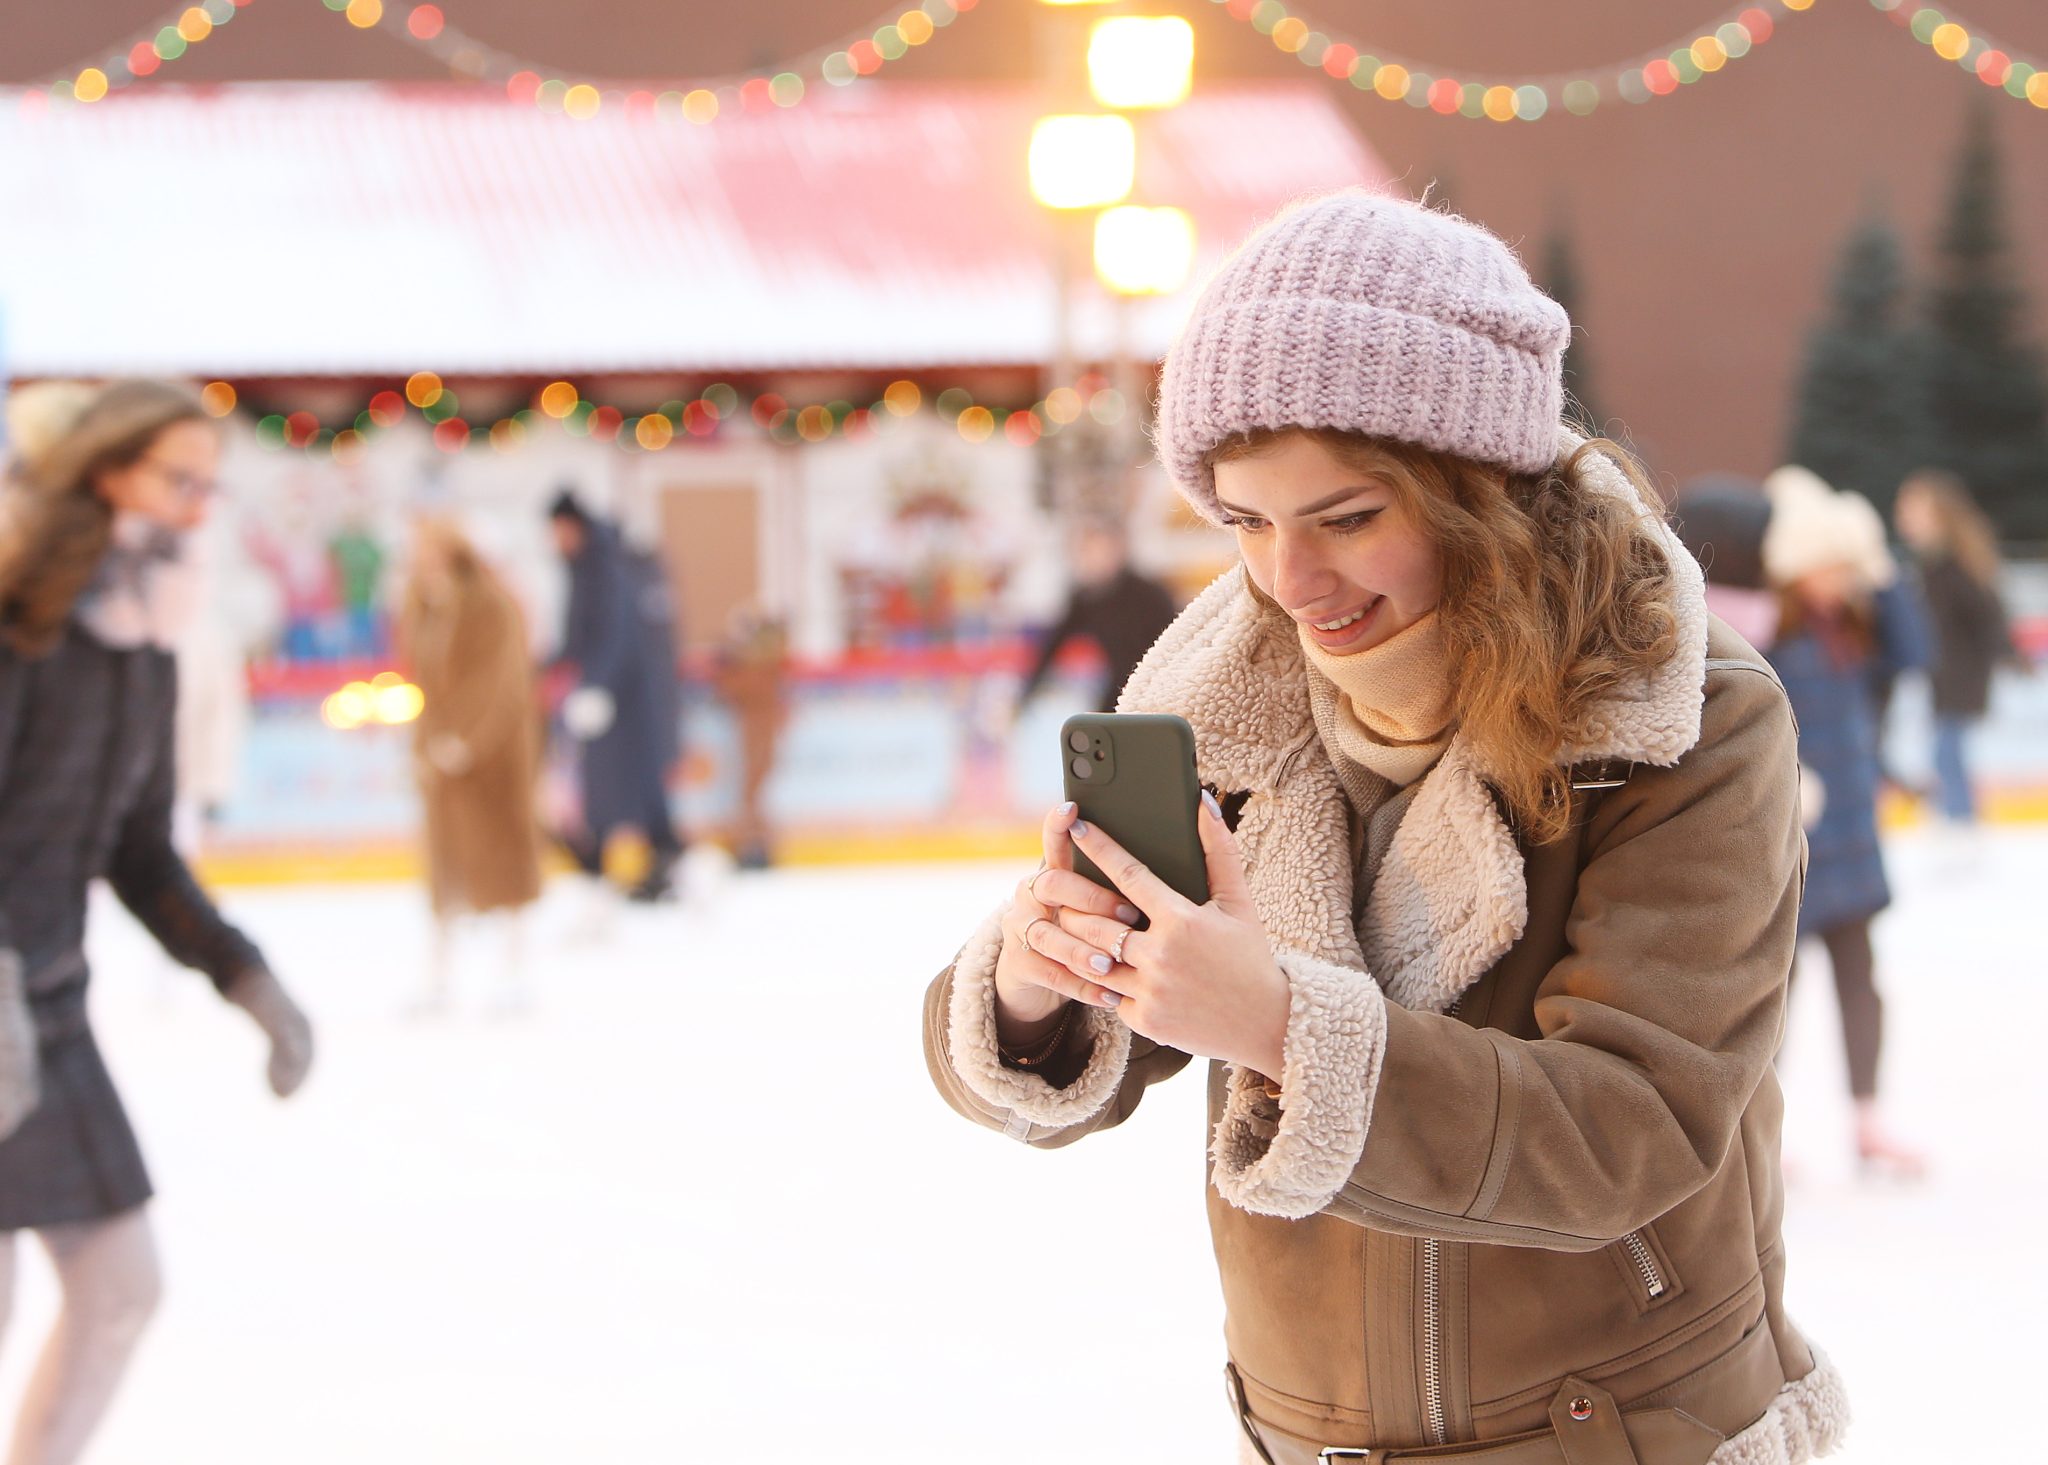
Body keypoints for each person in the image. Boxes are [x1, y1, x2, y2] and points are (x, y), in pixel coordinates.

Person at [921, 193, 1844, 1464]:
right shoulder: (1224, 709)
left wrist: (1276, 1022)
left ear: (1481, 494)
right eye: (1245, 521)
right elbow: (1105, 1055)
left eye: (1346, 518)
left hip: (1613, 1430)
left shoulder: (1684, 714)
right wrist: (1041, 981)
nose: (1288, 583)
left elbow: (1634, 1123)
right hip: (1314, 1431)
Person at [0, 379, 314, 1465]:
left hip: (46, 1014)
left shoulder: (140, 646)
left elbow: (137, 846)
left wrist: (243, 975)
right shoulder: (15, 624)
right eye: (179, 479)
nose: (198, 506)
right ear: (105, 471)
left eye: (209, 485)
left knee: (121, 1287)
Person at [1761, 466, 1929, 1180]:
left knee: (1863, 978)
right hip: (1796, 841)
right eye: (1834, 566)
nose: (1846, 580)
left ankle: (1868, 1118)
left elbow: (1917, 654)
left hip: (1854, 837)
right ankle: (1761, 1125)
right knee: (1777, 991)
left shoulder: (1851, 627)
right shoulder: (1772, 633)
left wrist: (1883, 575)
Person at [396, 519, 545, 1013]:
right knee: (446, 871)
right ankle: (439, 978)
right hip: (440, 759)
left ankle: (515, 973)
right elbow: (422, 680)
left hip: (494, 759)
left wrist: (463, 738)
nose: (420, 561)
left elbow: (499, 683)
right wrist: (426, 745)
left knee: (505, 867)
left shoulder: (491, 606)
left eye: (428, 551)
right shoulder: (421, 608)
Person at [547, 491, 684, 907]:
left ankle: (650, 867)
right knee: (616, 792)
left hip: (623, 704)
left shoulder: (606, 568)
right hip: (617, 700)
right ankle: (635, 867)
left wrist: (596, 686)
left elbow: (612, 635)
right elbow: (580, 635)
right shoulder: (593, 566)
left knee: (623, 791)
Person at [1893, 469, 2017, 825]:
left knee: (1946, 752)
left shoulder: (1953, 565)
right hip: (1945, 675)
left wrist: (2004, 654)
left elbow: (1989, 614)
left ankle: (1960, 820)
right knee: (1945, 752)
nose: (1903, 515)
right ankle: (1956, 818)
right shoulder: (1930, 565)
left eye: (1912, 507)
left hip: (1961, 676)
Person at [1014, 518, 1179, 715]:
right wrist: (1025, 694)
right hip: (1121, 687)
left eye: (1100, 551)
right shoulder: (1086, 598)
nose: (1093, 559)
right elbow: (1054, 645)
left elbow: (1176, 643)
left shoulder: (1150, 594)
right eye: (1086, 552)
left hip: (1160, 686)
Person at [711, 607, 790, 870]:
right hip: (753, 736)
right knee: (751, 791)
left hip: (760, 736)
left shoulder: (761, 668)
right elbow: (728, 690)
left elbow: (730, 689)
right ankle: (752, 843)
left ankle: (754, 844)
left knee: (753, 790)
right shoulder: (753, 668)